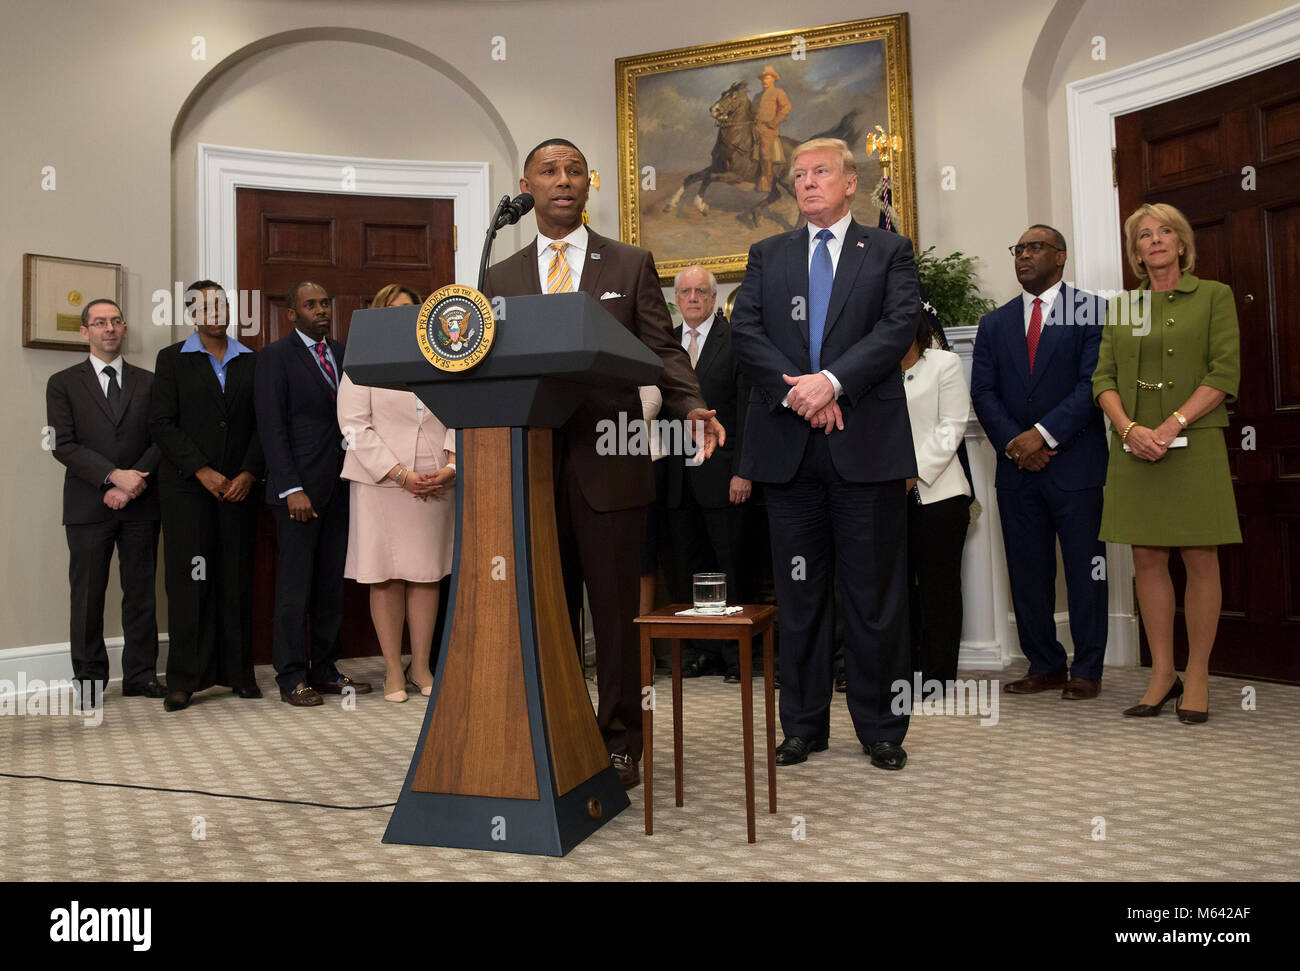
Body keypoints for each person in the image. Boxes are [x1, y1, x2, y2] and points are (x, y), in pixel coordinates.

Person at [482, 137, 724, 789]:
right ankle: (557, 733)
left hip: (612, 462)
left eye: (575, 170)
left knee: (616, 616)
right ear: (526, 186)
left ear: (589, 185)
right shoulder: (499, 277)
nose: (564, 179)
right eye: (549, 171)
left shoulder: (630, 262)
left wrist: (692, 404)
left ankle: (622, 740)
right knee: (547, 614)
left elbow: (664, 348)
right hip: (530, 468)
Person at [730, 137, 918, 772]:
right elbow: (746, 332)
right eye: (799, 174)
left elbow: (898, 328)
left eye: (821, 172)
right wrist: (802, 394)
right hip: (789, 453)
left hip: (864, 446)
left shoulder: (890, 250)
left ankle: (882, 727)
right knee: (800, 594)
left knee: (873, 595)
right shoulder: (767, 254)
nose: (807, 182)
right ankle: (803, 725)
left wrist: (832, 383)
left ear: (850, 183)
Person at [1094, 203, 1241, 724]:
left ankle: (1196, 673)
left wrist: (1172, 423)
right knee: (1148, 558)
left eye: (1165, 233)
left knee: (1201, 556)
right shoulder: (1124, 307)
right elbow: (1103, 379)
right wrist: (1130, 429)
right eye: (1144, 236)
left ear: (1182, 243)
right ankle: (1162, 672)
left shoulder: (1214, 296)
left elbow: (1224, 373)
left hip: (1194, 439)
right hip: (1134, 445)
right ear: (1135, 252)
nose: (1155, 241)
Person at [970, 225, 1109, 700]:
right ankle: (1045, 663)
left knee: (1085, 569)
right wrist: (1015, 442)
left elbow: (1092, 385)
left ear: (1061, 257)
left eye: (1035, 248)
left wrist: (1041, 436)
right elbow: (983, 393)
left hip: (1076, 466)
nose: (1024, 255)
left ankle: (1088, 668)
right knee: (1027, 571)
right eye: (1019, 249)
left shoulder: (1091, 311)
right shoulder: (995, 323)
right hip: (1016, 469)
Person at [254, 281, 372, 706]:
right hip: (298, 494)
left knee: (330, 587)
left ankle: (323, 669)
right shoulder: (274, 358)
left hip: (341, 486)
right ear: (291, 313)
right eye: (310, 305)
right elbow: (271, 428)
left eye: (325, 303)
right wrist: (291, 488)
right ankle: (290, 676)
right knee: (294, 588)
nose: (320, 310)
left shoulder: (344, 354)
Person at [338, 284, 456, 703]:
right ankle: (392, 667)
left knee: (427, 574)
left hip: (436, 481)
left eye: (413, 310)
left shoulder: (446, 354)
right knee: (385, 574)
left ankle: (421, 665)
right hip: (381, 483)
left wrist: (451, 465)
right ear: (379, 314)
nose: (405, 316)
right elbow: (353, 424)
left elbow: (462, 413)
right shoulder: (362, 360)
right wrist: (398, 473)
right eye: (396, 310)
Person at [150, 281, 264, 711]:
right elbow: (161, 423)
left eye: (222, 304)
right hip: (187, 491)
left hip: (241, 490)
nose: (215, 311)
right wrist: (203, 471)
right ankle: (184, 678)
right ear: (192, 314)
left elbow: (263, 423)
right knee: (189, 582)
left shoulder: (252, 361)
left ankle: (239, 673)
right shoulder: (172, 360)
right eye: (205, 306)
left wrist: (249, 472)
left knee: (235, 581)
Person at [46, 298, 164, 709]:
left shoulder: (150, 382)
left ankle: (141, 675)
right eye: (99, 323)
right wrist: (113, 477)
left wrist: (133, 483)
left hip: (142, 502)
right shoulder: (62, 383)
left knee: (141, 594)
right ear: (85, 332)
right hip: (86, 505)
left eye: (116, 321)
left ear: (125, 329)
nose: (109, 329)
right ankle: (90, 681)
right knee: (88, 596)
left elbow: (160, 439)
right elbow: (63, 445)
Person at [665, 265, 753, 682]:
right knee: (688, 565)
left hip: (726, 477)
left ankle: (739, 655)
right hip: (678, 479)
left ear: (715, 299)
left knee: (732, 565)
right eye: (686, 292)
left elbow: (748, 412)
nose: (694, 297)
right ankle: (702, 651)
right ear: (677, 299)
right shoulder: (664, 346)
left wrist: (743, 472)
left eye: (702, 291)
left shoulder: (736, 341)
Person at [900, 310, 973, 685]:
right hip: (885, 498)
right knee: (897, 592)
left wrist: (914, 473)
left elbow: (953, 425)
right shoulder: (872, 373)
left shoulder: (943, 363)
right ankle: (904, 670)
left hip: (940, 496)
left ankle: (937, 675)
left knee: (938, 589)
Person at [752, 66, 792, 192]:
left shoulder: (778, 92)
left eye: (767, 78)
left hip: (768, 129)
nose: (764, 81)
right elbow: (752, 111)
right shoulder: (757, 96)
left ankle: (766, 181)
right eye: (763, 78)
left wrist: (775, 122)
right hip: (754, 127)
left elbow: (786, 107)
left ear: (773, 79)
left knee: (765, 150)